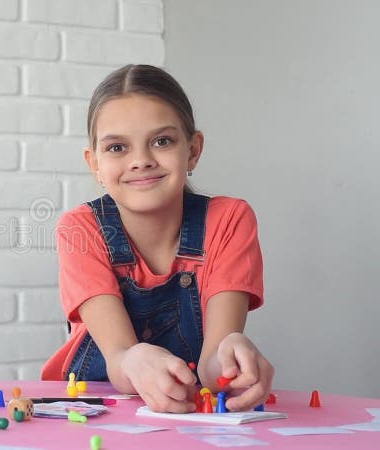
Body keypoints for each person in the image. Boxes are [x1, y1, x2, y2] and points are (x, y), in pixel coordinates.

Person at [41, 64, 273, 413]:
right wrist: (133, 359)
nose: (141, 161)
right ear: (95, 164)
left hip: (186, 412)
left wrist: (231, 359)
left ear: (193, 150)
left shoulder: (229, 220)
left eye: (161, 141)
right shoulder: (81, 229)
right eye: (117, 147)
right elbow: (118, 358)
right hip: (93, 408)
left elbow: (212, 366)